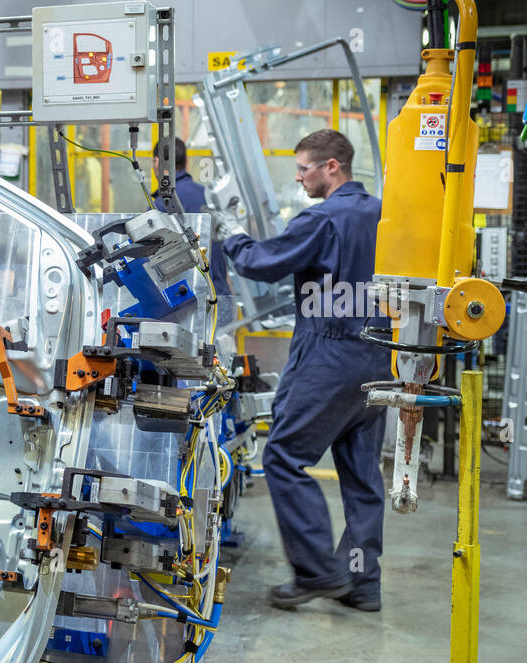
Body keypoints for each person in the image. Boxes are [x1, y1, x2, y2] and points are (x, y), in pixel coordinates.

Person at [211, 129, 387, 611]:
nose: (299, 176)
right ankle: (361, 582)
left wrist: (232, 236)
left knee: (284, 458)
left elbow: (263, 263)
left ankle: (317, 573)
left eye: (305, 167)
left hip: (330, 356)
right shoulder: (383, 215)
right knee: (362, 476)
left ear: (333, 167)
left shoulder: (324, 219)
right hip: (381, 358)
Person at [153, 137, 231, 296]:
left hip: (185, 299)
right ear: (186, 161)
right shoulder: (209, 197)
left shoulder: (160, 205)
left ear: (156, 162)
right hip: (219, 292)